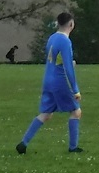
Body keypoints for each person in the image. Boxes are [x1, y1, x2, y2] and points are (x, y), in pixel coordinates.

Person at [17, 11, 83, 154]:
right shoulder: (65, 41)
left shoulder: (52, 38)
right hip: (60, 81)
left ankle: (23, 143)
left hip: (48, 79)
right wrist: (75, 89)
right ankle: (73, 147)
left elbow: (54, 59)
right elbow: (67, 68)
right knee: (76, 112)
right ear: (71, 24)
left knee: (46, 114)